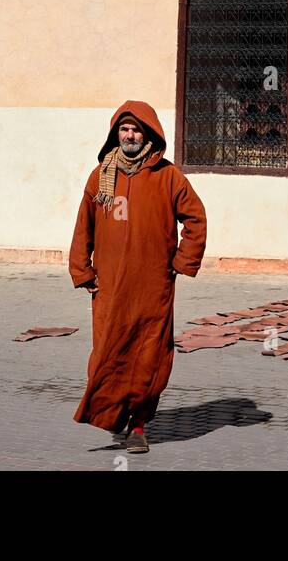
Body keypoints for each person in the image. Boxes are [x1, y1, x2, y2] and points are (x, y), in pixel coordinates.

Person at [69, 100, 207, 453]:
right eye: (124, 129)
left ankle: (140, 426)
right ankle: (113, 413)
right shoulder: (100, 176)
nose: (130, 135)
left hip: (152, 288)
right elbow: (83, 226)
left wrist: (182, 261)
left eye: (136, 129)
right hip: (110, 287)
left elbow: (195, 218)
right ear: (116, 134)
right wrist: (81, 268)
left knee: (149, 357)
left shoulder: (168, 176)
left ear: (148, 134)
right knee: (108, 352)